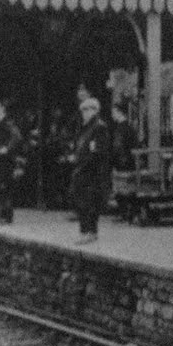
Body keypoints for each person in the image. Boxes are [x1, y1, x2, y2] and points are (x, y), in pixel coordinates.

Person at [69, 97, 112, 244]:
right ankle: (87, 231)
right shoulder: (85, 128)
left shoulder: (99, 127)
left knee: (88, 202)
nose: (84, 113)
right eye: (83, 110)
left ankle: (89, 231)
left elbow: (97, 151)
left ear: (95, 110)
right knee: (81, 201)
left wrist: (84, 163)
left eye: (87, 110)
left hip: (91, 172)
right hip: (82, 170)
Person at [0, 99, 24, 224]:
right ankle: (1, 215)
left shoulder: (7, 122)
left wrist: (7, 148)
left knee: (5, 186)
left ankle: (7, 217)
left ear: (2, 108)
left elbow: (16, 136)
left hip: (6, 160)